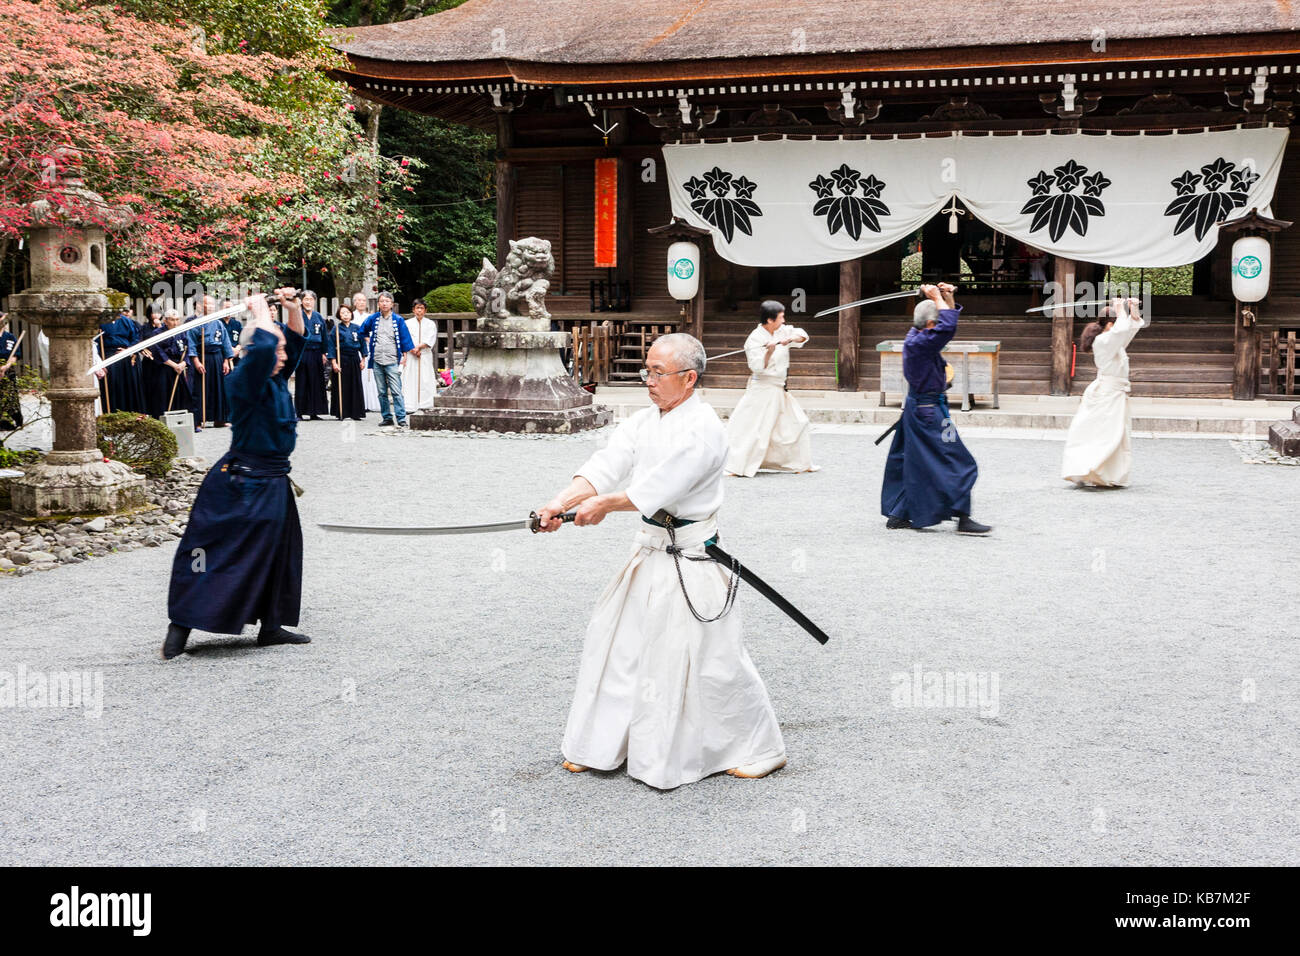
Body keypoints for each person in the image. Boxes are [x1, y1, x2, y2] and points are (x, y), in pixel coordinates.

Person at [534, 332, 787, 790]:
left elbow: (659, 487)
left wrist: (601, 507)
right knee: (621, 645)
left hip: (692, 557)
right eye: (646, 370)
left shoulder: (705, 427)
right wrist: (558, 503)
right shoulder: (645, 420)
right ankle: (606, 743)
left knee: (713, 659)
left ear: (689, 379)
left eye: (657, 372)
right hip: (650, 550)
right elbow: (606, 463)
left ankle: (758, 747)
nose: (647, 380)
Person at [163, 288, 311, 659]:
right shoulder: (245, 380)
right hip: (240, 483)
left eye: (280, 352)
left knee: (279, 553)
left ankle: (272, 625)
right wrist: (260, 313)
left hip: (274, 481)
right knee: (216, 553)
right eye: (273, 350)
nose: (282, 356)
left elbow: (293, 342)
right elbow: (264, 349)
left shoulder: (275, 376)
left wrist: (290, 308)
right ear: (249, 352)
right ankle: (181, 625)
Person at [881, 282, 992, 535]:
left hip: (922, 409)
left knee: (918, 462)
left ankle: (900, 513)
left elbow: (946, 322)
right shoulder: (921, 343)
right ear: (930, 325)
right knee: (958, 461)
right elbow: (948, 325)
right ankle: (963, 517)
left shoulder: (918, 337)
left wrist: (947, 297)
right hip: (929, 412)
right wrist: (934, 296)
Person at [724, 299, 816, 477]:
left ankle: (797, 462)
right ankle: (737, 464)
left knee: (797, 423)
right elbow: (757, 367)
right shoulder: (754, 339)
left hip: (778, 388)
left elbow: (803, 335)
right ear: (769, 320)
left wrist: (789, 339)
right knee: (751, 428)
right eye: (780, 317)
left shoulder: (783, 330)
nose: (783, 320)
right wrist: (769, 351)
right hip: (763, 388)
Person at [1061, 298, 1144, 488]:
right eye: (1114, 324)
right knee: (1104, 435)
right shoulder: (1103, 341)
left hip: (1114, 393)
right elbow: (1122, 330)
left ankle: (1106, 474)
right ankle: (1088, 469)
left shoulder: (1113, 341)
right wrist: (1118, 307)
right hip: (1106, 394)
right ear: (1109, 324)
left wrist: (1132, 307)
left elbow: (1131, 328)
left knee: (1115, 435)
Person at [359, 291, 414, 428]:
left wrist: (405, 355)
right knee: (382, 391)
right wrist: (368, 338)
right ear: (378, 303)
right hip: (377, 358)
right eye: (382, 301)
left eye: (387, 301)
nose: (384, 303)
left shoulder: (398, 320)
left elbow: (405, 339)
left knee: (396, 390)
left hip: (392, 359)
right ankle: (387, 417)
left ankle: (401, 417)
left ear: (392, 304)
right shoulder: (373, 318)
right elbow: (362, 331)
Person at [186, 295, 234, 430]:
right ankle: (199, 420)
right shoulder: (195, 323)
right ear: (201, 306)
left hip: (218, 356)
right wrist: (196, 361)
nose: (211, 307)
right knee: (201, 389)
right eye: (208, 304)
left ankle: (219, 419)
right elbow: (191, 343)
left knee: (219, 388)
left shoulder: (218, 323)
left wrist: (226, 361)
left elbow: (225, 343)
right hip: (203, 357)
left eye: (213, 304)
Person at [98, 306, 147, 414]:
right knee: (112, 386)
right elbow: (97, 341)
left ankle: (130, 412)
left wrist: (128, 349)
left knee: (128, 387)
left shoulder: (127, 321)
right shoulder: (101, 322)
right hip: (108, 355)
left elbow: (135, 338)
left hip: (125, 355)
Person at [148, 309, 193, 419]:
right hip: (164, 368)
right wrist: (173, 365)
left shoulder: (182, 331)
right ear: (165, 320)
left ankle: (181, 420)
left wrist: (183, 363)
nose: (175, 323)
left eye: (177, 320)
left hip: (179, 368)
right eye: (172, 320)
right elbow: (158, 352)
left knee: (181, 395)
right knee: (163, 395)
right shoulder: (157, 333)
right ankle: (162, 421)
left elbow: (188, 349)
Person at [293, 291, 330, 421]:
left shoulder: (319, 317)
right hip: (302, 351)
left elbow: (325, 336)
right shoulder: (297, 316)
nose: (308, 302)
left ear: (314, 301)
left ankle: (315, 411)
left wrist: (324, 353)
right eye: (306, 299)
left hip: (317, 352)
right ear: (302, 301)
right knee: (302, 381)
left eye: (311, 299)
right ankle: (299, 412)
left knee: (316, 382)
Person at [326, 305, 367, 421]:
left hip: (354, 358)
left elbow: (363, 345)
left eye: (347, 312)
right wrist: (334, 363)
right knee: (342, 385)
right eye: (343, 313)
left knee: (355, 385)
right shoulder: (336, 329)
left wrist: (363, 360)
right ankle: (341, 412)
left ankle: (356, 412)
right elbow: (331, 347)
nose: (345, 315)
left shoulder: (357, 328)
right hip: (341, 359)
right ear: (339, 315)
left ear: (351, 314)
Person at [402, 299, 438, 412]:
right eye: (417, 308)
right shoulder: (406, 323)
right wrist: (413, 349)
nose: (419, 310)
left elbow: (430, 339)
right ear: (413, 310)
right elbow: (405, 338)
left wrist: (419, 347)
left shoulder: (430, 324)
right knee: (409, 378)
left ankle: (425, 403)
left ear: (425, 310)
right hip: (411, 354)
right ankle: (409, 405)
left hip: (424, 354)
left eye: (421, 308)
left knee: (425, 378)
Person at [0, 312, 23, 430]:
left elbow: (15, 355)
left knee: (10, 396)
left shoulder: (10, 337)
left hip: (7, 371)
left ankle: (13, 421)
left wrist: (6, 367)